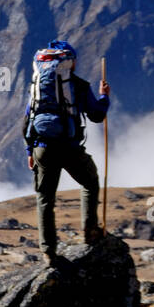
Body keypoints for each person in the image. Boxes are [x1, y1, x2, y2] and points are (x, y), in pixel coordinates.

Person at [22, 40, 110, 266]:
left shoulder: (36, 87)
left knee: (45, 199)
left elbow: (28, 120)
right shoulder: (79, 85)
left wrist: (30, 150)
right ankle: (90, 231)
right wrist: (104, 97)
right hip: (69, 148)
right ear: (70, 62)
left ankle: (48, 252)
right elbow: (97, 115)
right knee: (90, 182)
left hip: (42, 148)